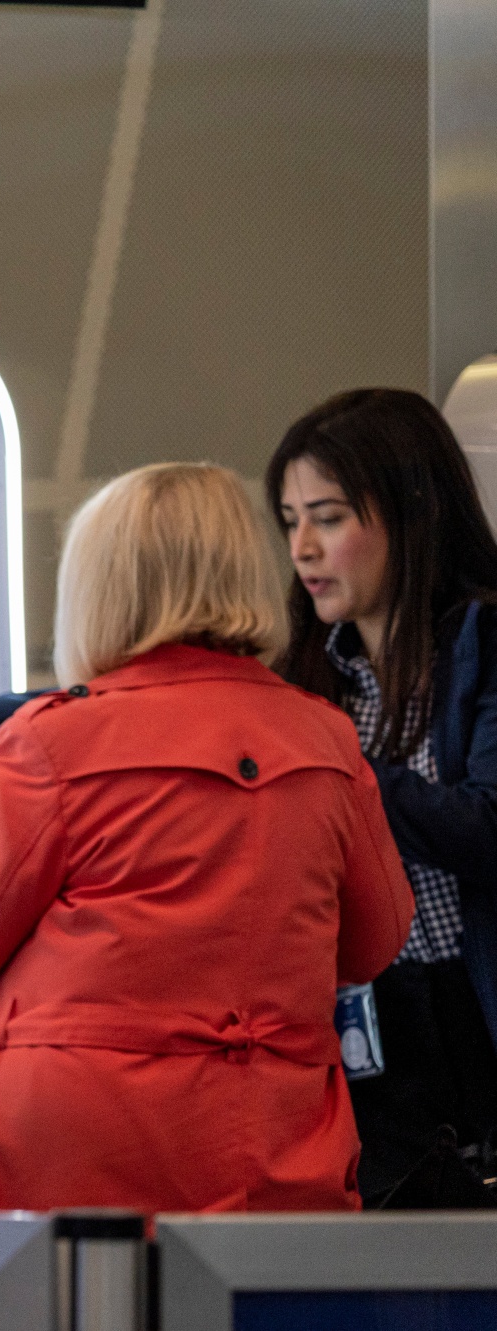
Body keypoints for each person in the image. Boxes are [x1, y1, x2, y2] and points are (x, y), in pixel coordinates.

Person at [0, 462, 412, 1213]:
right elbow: (374, 940)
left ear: (101, 584)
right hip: (272, 1162)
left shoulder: (54, 742)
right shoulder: (325, 738)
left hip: (67, 1174)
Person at [264, 389, 497, 1206]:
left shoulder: (483, 643)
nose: (301, 548)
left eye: (326, 517)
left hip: (472, 1005)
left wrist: (342, 760)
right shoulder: (304, 676)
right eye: (290, 519)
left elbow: (486, 827)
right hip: (367, 1028)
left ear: (409, 513)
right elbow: (159, 705)